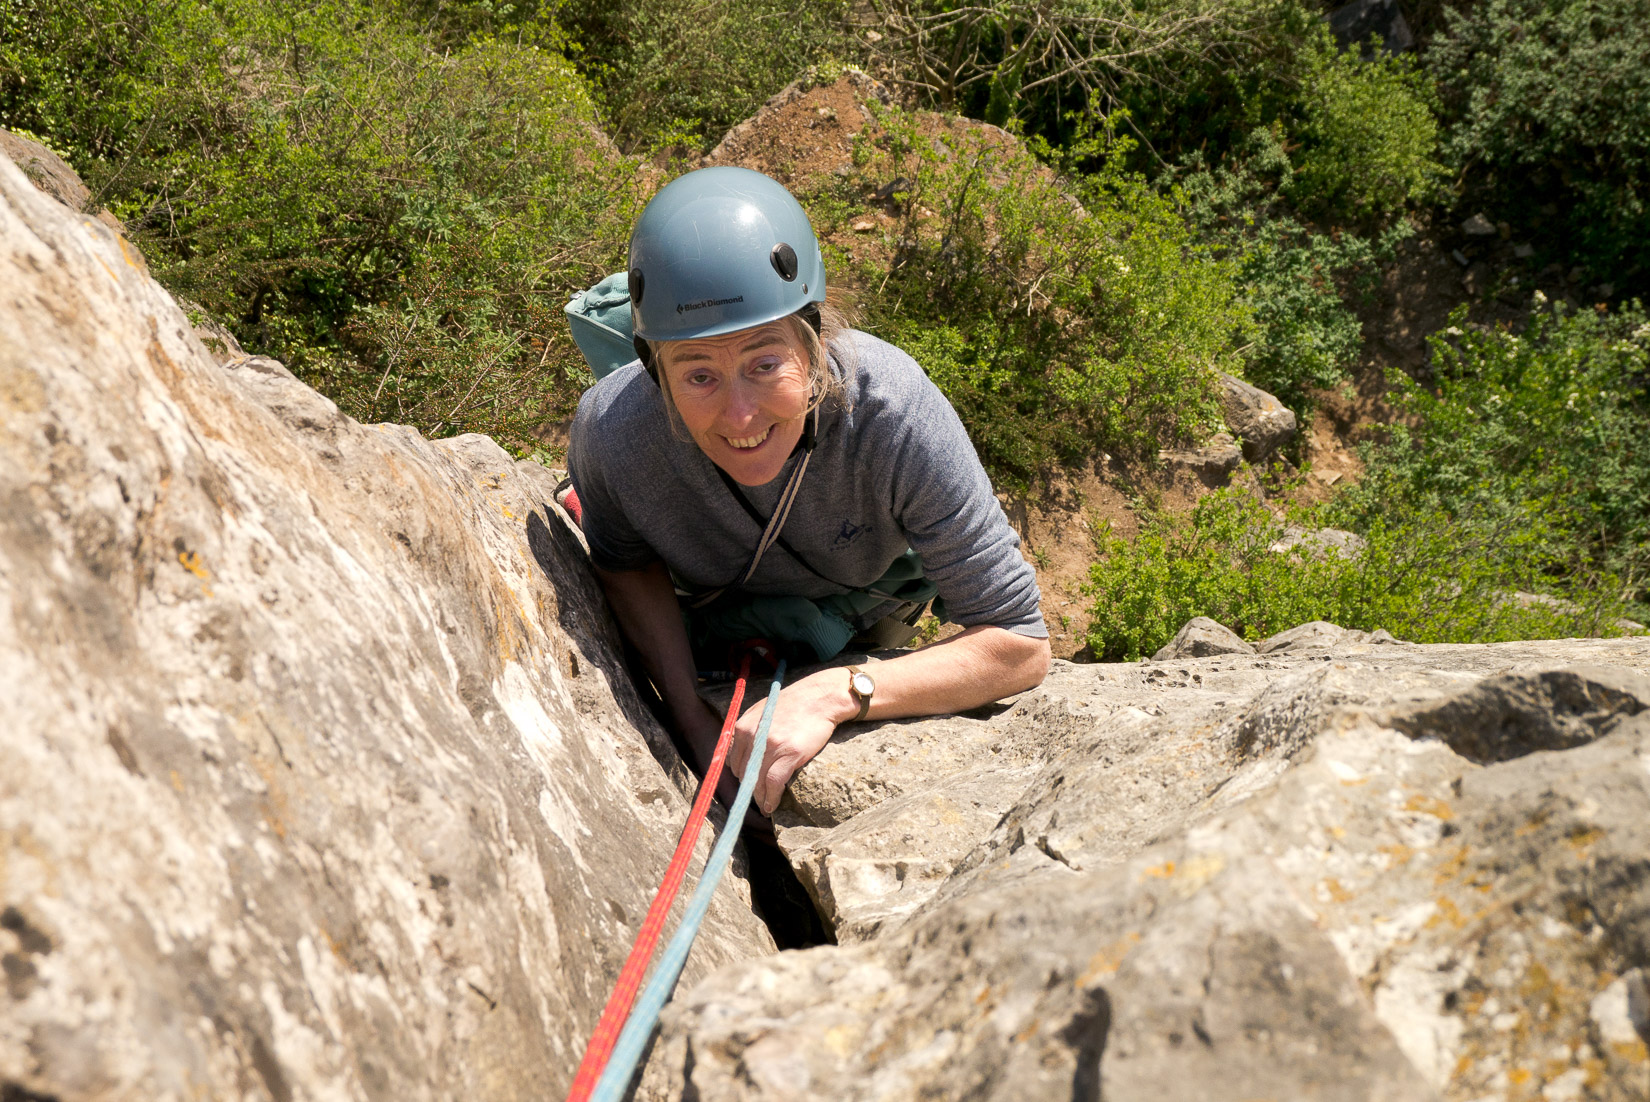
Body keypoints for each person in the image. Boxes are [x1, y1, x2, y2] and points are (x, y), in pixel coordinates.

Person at [566, 166, 1049, 819]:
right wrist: (691, 721)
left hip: (862, 604)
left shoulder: (892, 414)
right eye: (699, 375)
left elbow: (1019, 641)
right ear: (654, 371)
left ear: (814, 341)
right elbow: (626, 566)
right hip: (712, 605)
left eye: (765, 364)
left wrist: (838, 693)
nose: (740, 415)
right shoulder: (615, 433)